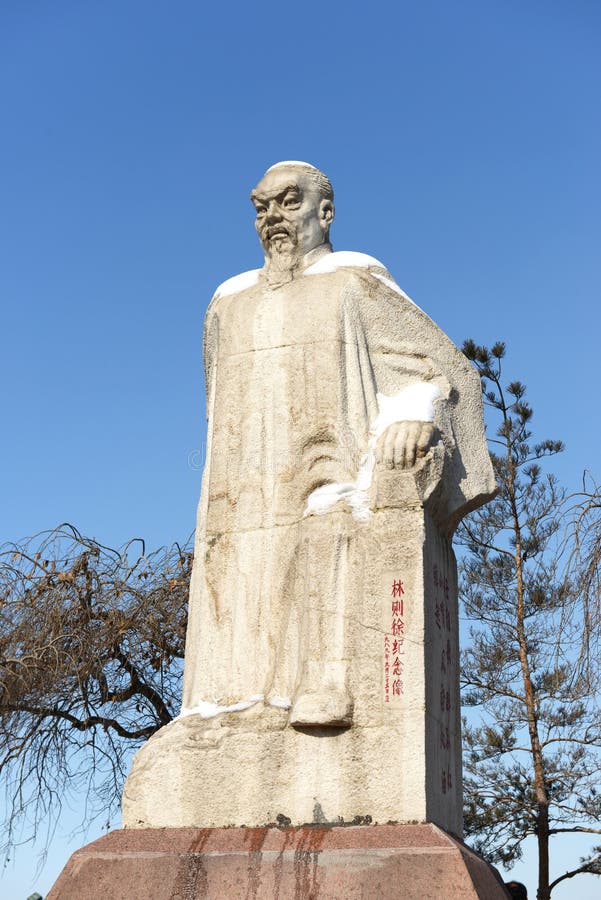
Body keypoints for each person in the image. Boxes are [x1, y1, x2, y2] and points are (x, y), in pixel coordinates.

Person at [180, 161, 494, 727]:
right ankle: (222, 705)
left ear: (324, 213)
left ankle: (324, 685)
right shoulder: (228, 303)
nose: (273, 216)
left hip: (328, 475)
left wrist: (417, 417)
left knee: (328, 524)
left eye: (288, 202)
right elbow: (215, 403)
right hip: (243, 489)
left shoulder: (353, 282)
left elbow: (446, 373)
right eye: (261, 206)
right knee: (231, 574)